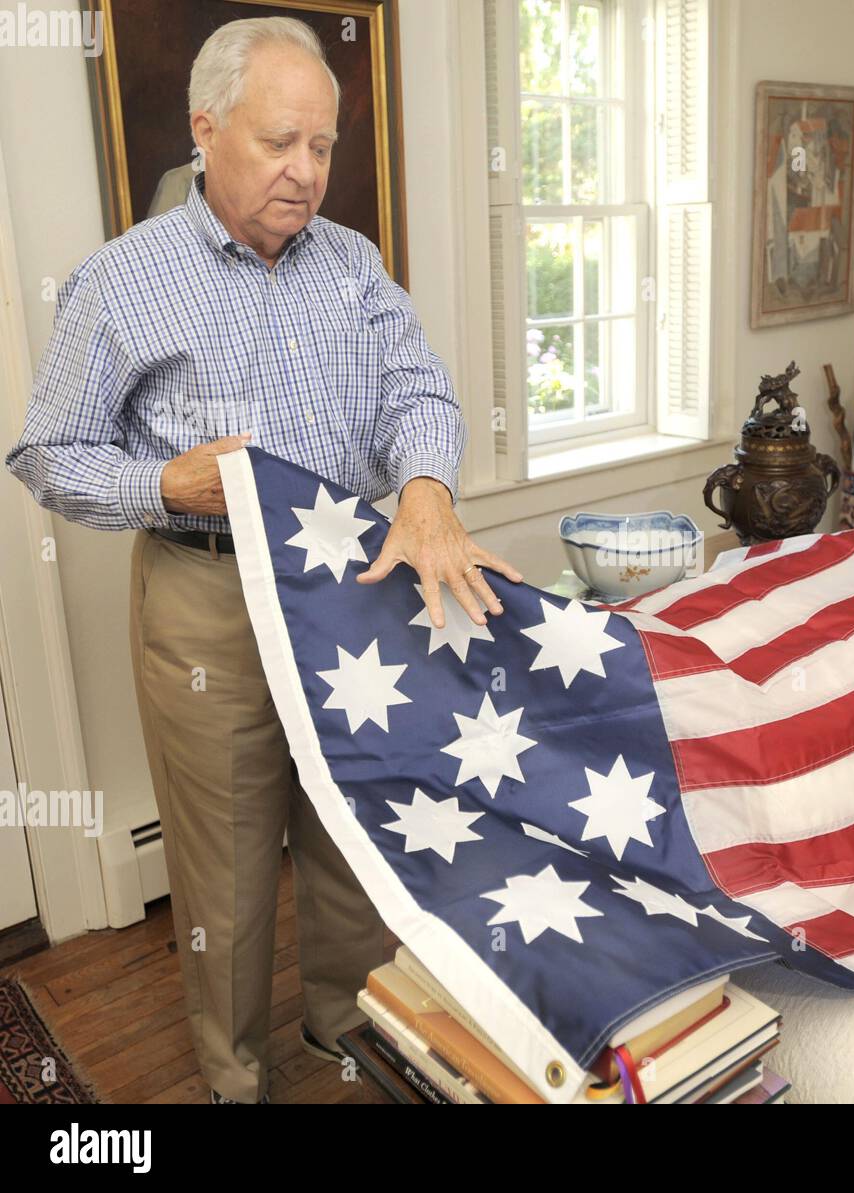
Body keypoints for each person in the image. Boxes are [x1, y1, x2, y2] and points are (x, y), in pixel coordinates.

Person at [5, 16, 522, 1104]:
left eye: (324, 148)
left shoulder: (355, 264)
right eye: (281, 142)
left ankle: (346, 1038)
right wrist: (161, 484)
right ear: (206, 130)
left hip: (350, 586)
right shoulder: (123, 279)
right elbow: (45, 452)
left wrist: (424, 485)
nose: (306, 173)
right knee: (229, 870)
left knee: (345, 837)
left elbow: (418, 392)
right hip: (207, 594)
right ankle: (234, 1078)